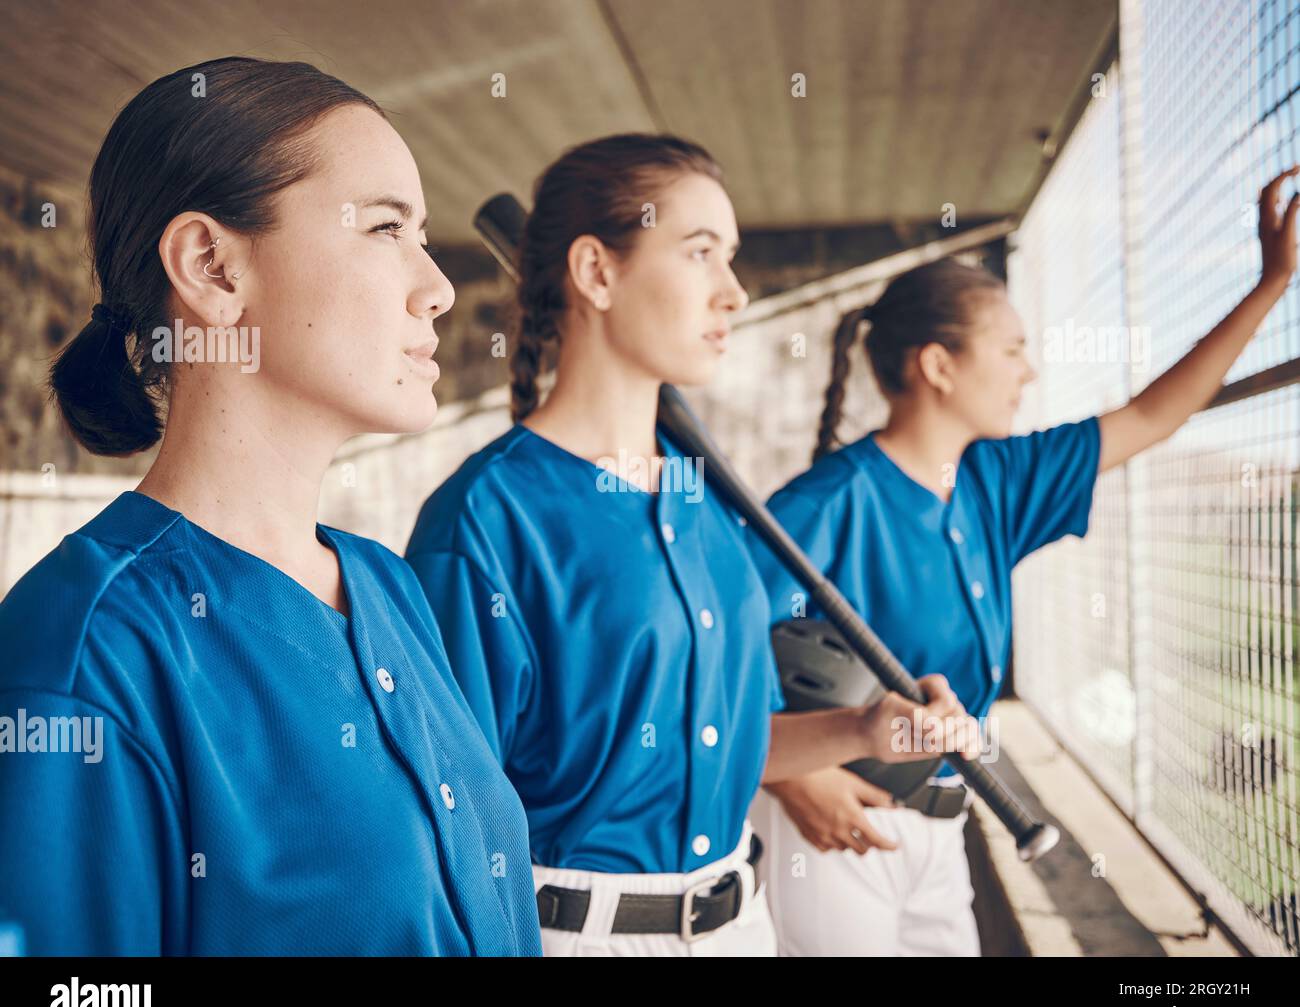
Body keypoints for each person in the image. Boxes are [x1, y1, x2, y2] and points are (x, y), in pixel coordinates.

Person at [0, 56, 541, 956]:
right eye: (384, 227)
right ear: (212, 266)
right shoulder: (85, 654)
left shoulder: (389, 585)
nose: (438, 285)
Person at [405, 133, 981, 957]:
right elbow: (445, 823)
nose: (735, 294)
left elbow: (721, 750)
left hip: (740, 925)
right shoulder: (486, 519)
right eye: (702, 253)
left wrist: (862, 730)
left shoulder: (703, 505)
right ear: (597, 273)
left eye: (733, 258)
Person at [748, 167, 1300, 956]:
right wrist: (793, 776)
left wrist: (1272, 285)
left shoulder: (995, 479)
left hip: (946, 824)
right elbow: (716, 657)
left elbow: (1152, 414)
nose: (1028, 371)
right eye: (1010, 349)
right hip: (841, 827)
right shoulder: (829, 501)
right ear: (938, 365)